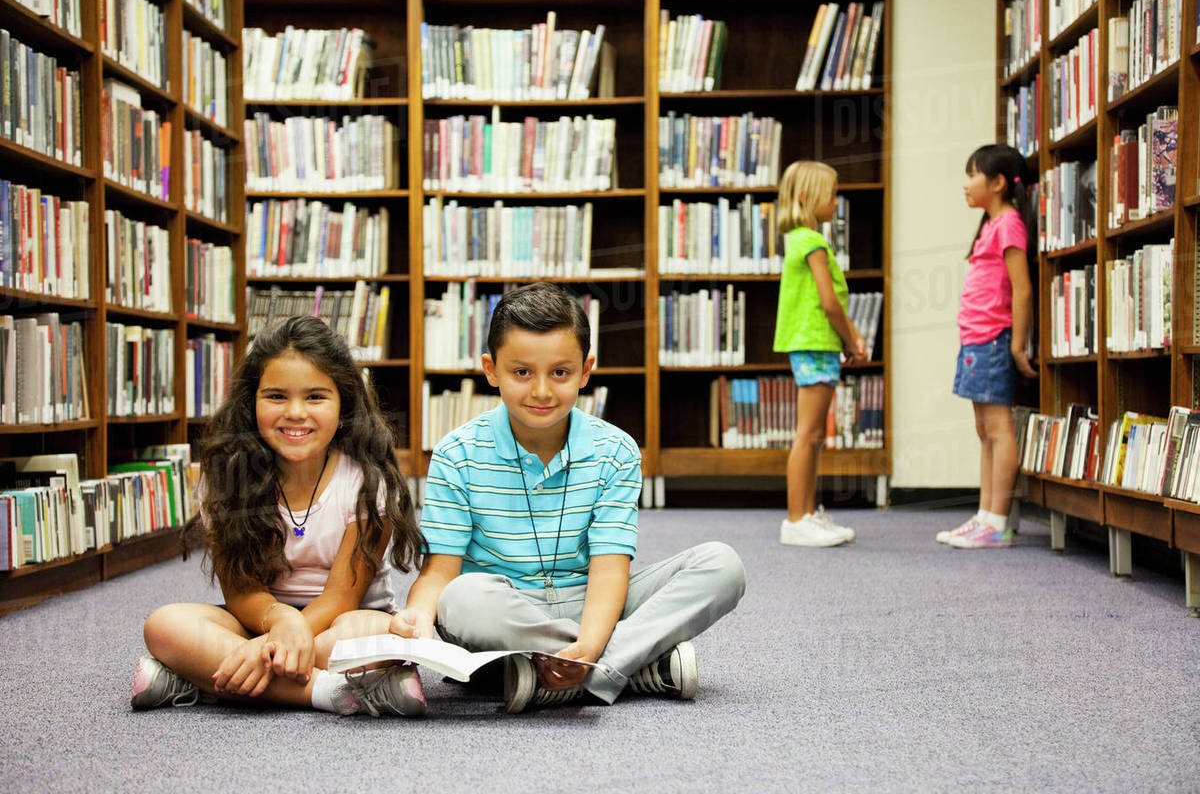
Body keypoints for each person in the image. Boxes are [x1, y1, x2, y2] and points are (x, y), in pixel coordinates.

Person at [393, 282, 745, 713]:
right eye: (521, 372)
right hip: (508, 613)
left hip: (593, 602)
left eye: (559, 373)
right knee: (460, 598)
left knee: (721, 564)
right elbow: (440, 572)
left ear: (585, 370)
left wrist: (593, 645)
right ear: (490, 369)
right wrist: (419, 612)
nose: (541, 391)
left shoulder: (616, 450)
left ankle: (571, 672)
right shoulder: (456, 453)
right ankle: (630, 665)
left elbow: (610, 567)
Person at [130, 316, 427, 717]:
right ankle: (328, 691)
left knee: (379, 636)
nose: (295, 413)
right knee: (164, 625)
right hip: (259, 620)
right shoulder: (226, 478)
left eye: (316, 397)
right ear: (251, 404)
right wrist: (278, 626)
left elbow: (342, 597)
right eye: (275, 397)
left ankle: (205, 679)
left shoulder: (368, 483)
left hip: (341, 620)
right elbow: (239, 592)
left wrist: (280, 640)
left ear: (344, 406)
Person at [937, 143, 1037, 549]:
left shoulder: (1009, 223)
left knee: (998, 428)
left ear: (997, 183)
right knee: (984, 430)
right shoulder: (990, 226)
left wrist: (1016, 346)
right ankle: (984, 515)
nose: (965, 184)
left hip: (995, 340)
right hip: (976, 340)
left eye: (972, 174)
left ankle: (997, 522)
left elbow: (1023, 289)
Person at [773, 160, 867, 547]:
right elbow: (830, 302)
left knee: (813, 437)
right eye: (831, 193)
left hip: (815, 343)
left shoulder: (801, 238)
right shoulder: (812, 241)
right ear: (806, 198)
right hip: (815, 341)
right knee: (808, 434)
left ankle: (807, 513)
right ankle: (797, 519)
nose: (836, 200)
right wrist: (854, 338)